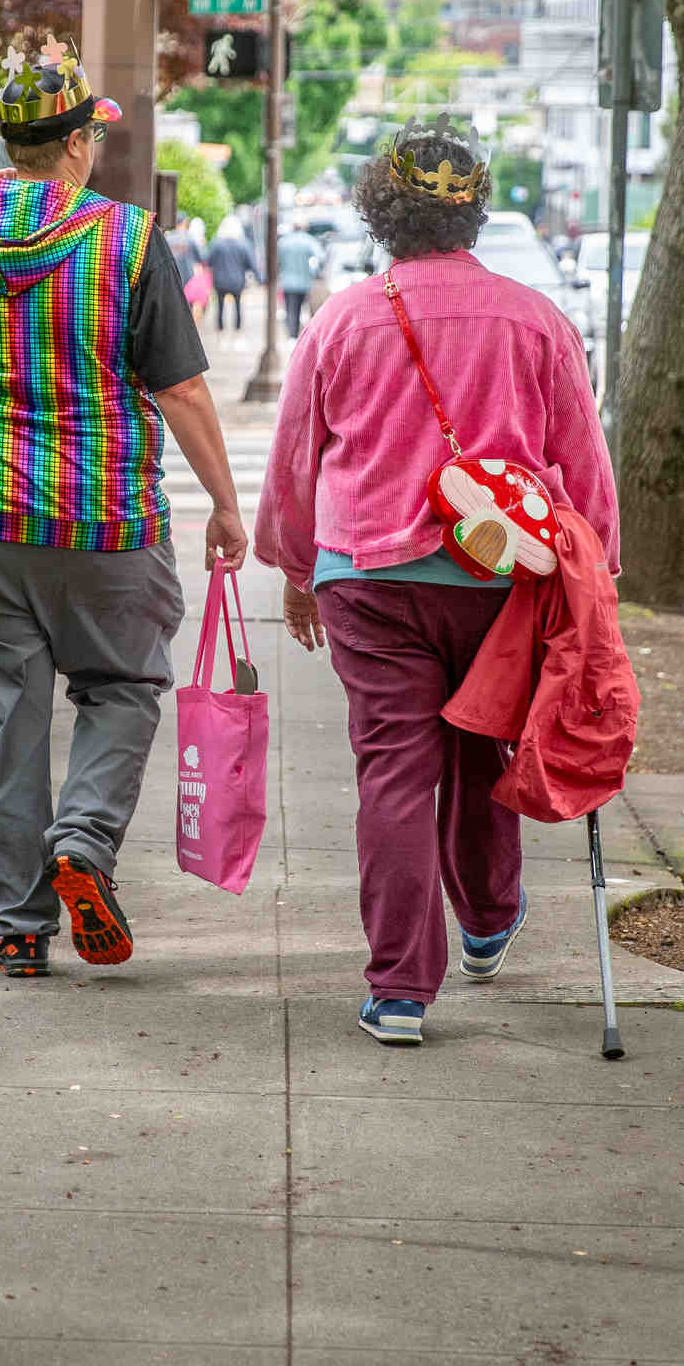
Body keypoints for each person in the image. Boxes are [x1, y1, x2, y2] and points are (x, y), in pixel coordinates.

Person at [251, 126, 617, 1046]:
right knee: (481, 752)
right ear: (474, 212)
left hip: (369, 577)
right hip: (500, 584)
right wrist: (595, 573)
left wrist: (299, 568)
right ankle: (489, 919)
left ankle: (400, 990)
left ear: (382, 210)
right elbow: (581, 461)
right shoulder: (535, 319)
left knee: (394, 774)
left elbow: (299, 459)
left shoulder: (342, 318)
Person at [0, 40, 250, 980]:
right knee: (125, 688)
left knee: (7, 718)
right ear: (75, 141)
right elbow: (179, 391)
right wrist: (225, 507)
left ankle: (18, 929)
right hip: (105, 525)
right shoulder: (127, 240)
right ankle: (85, 844)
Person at [205, 219, 257, 332]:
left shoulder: (216, 244)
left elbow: (208, 261)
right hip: (237, 281)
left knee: (220, 305)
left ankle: (220, 328)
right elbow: (251, 264)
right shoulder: (243, 244)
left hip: (220, 281)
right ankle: (237, 328)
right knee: (238, 305)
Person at [276, 221, 323, 338]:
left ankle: (292, 335)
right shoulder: (308, 240)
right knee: (305, 309)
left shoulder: (283, 242)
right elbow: (321, 257)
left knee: (291, 309)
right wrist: (313, 271)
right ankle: (304, 335)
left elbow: (276, 261)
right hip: (304, 282)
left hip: (287, 282)